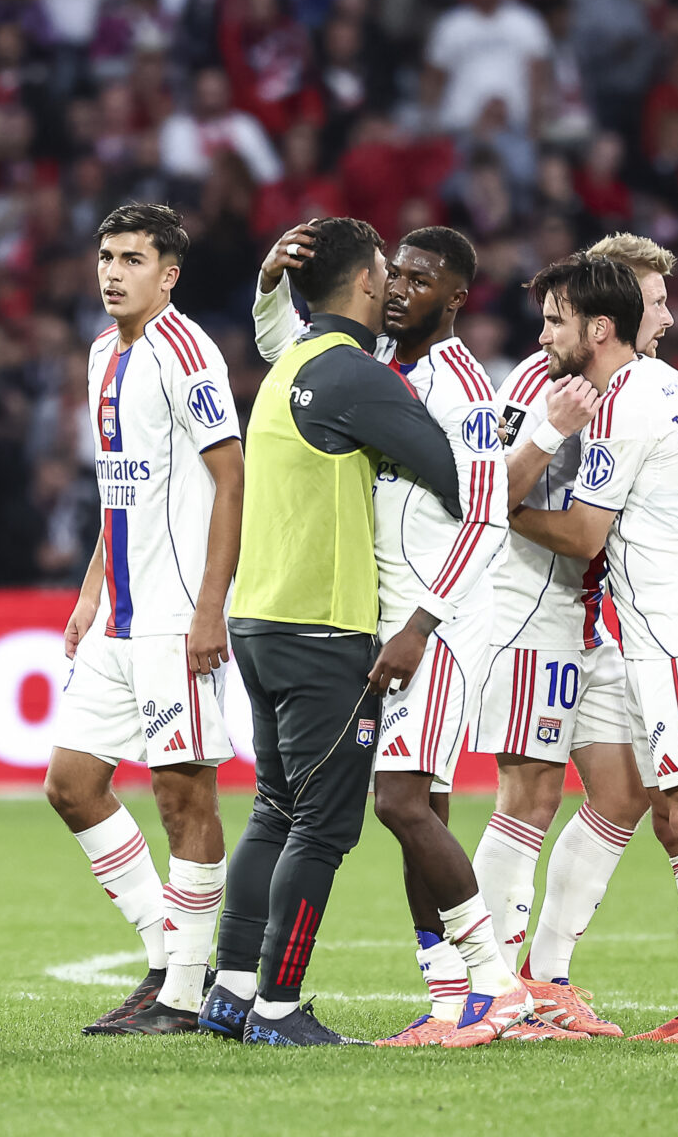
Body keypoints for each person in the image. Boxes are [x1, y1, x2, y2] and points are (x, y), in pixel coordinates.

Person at [252, 223, 536, 1048]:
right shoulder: (374, 370)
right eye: (395, 275)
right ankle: (451, 1000)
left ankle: (494, 983)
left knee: (400, 802)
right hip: (390, 620)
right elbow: (284, 356)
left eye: (422, 280)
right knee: (425, 805)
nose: (400, 288)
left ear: (455, 299)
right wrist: (272, 281)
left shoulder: (463, 389)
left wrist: (419, 623)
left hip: (437, 621)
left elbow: (487, 513)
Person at [202, 217, 465, 1047]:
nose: (395, 282)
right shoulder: (354, 377)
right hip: (322, 629)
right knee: (323, 825)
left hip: (259, 617)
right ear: (363, 284)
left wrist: (269, 280)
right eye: (387, 269)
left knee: (274, 811)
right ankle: (278, 1008)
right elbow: (456, 473)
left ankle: (232, 991)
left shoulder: (288, 368)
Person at [509, 253, 678, 1043]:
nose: (543, 334)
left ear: (595, 328)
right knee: (671, 819)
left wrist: (501, 505)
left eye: (555, 320)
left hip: (675, 635)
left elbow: (585, 530)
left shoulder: (625, 398)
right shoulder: (664, 384)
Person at [467, 232, 678, 1039]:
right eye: (655, 299)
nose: (664, 317)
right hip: (532, 605)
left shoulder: (642, 388)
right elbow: (488, 489)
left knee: (623, 792)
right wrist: (540, 458)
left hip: (595, 617)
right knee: (527, 793)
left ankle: (547, 976)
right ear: (610, 306)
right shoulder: (542, 379)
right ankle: (489, 991)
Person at [46, 203, 243, 1036]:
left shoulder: (186, 352)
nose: (112, 272)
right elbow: (120, 490)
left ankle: (185, 994)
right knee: (72, 785)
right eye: (105, 256)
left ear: (169, 274)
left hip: (175, 620)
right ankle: (172, 957)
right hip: (120, 619)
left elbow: (232, 480)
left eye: (132, 259)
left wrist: (209, 609)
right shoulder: (101, 354)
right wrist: (92, 590)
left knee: (181, 797)